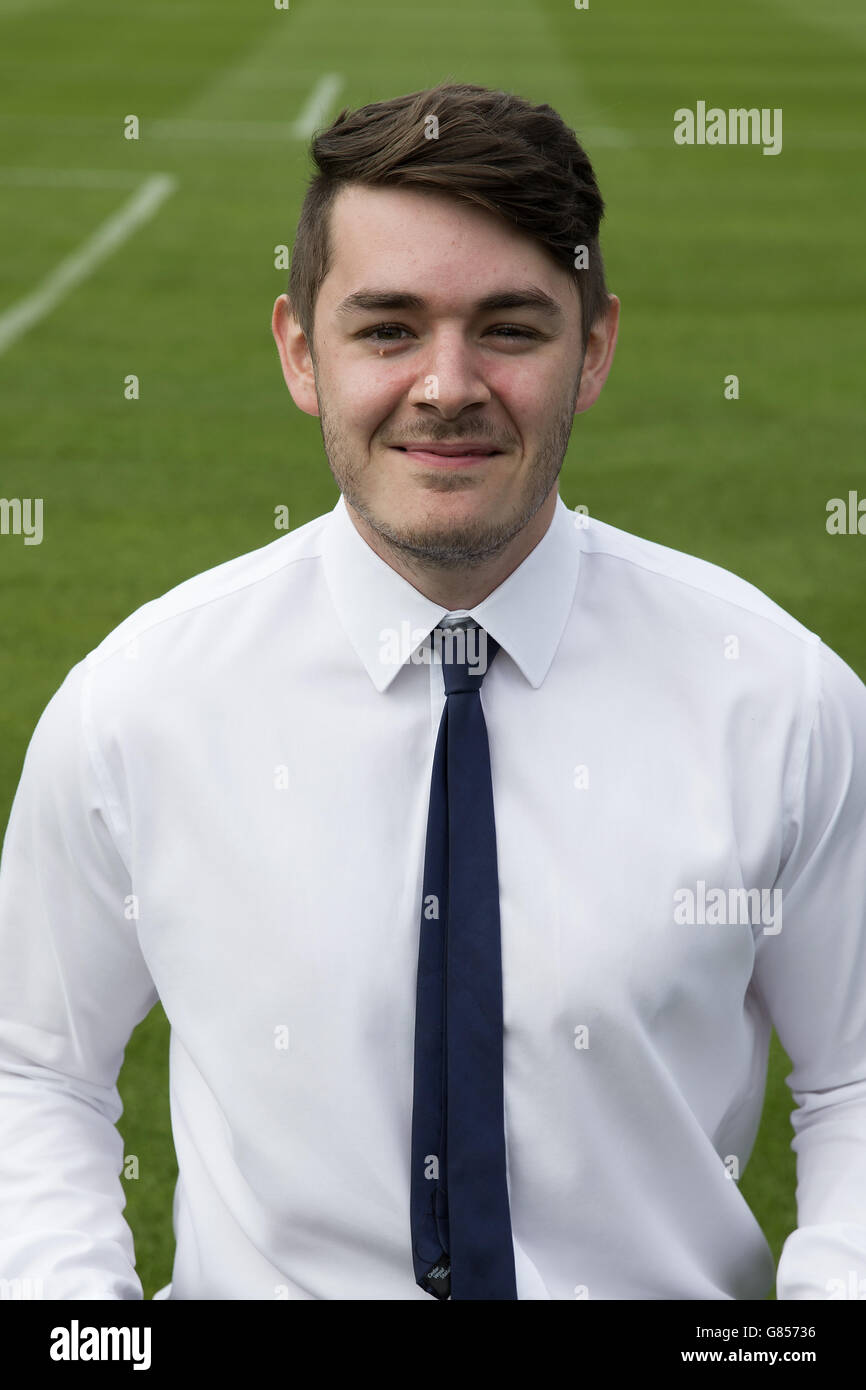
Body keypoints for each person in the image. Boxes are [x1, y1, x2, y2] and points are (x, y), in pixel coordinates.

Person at [1, 80, 865, 1302]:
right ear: (302, 353)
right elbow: (35, 1068)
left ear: (594, 349)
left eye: (509, 328)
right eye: (387, 328)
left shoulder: (780, 701)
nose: (446, 385)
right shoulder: (137, 705)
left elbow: (854, 1079)